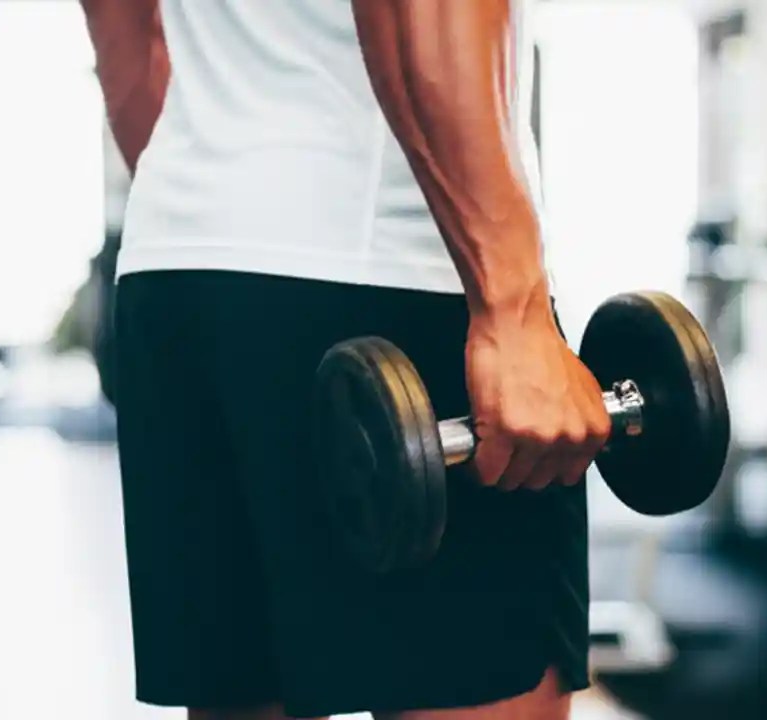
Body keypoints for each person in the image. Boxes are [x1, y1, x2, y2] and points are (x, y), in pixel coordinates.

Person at [79, 2, 611, 718]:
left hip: (180, 267)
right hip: (394, 270)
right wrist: (511, 311)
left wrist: (235, 223)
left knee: (243, 689)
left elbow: (121, 25)